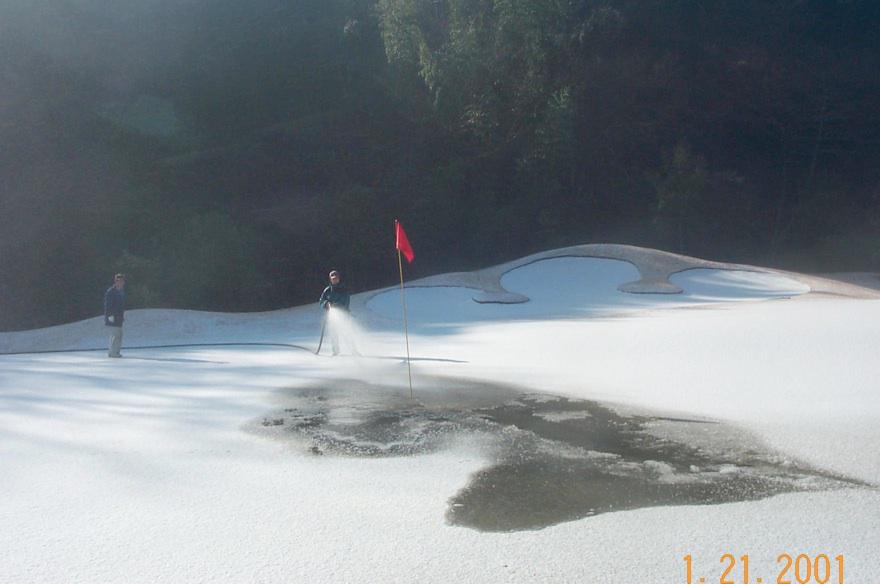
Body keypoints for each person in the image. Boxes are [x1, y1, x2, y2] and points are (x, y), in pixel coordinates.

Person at [318, 269, 351, 355]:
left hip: (343, 315)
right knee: (334, 334)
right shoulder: (327, 290)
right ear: (330, 279)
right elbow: (321, 300)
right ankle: (335, 351)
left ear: (339, 279)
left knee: (347, 333)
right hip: (331, 315)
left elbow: (346, 301)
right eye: (332, 278)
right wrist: (326, 304)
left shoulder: (343, 289)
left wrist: (336, 306)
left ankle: (353, 350)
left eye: (336, 278)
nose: (334, 280)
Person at [104, 273, 126, 358]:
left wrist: (122, 316)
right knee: (115, 335)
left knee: (119, 335)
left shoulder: (121, 291)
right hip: (112, 317)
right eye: (118, 281)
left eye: (121, 281)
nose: (119, 283)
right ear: (115, 281)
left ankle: (115, 351)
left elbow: (121, 306)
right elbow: (107, 305)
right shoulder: (111, 291)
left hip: (119, 317)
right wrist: (109, 315)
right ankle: (113, 353)